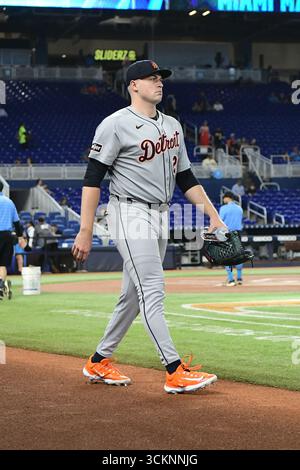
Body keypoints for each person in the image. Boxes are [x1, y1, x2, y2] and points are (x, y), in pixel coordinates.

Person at [72, 59, 227, 394]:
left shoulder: (171, 125)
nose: (159, 82)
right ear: (133, 85)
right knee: (153, 289)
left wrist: (214, 216)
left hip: (160, 215)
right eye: (151, 78)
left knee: (131, 295)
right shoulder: (114, 125)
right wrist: (86, 228)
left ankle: (98, 360)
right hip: (128, 214)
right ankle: (173, 370)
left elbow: (186, 178)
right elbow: (92, 178)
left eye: (160, 78)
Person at [0, 181, 25, 299]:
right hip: (7, 235)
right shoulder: (9, 202)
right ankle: (0, 284)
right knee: (2, 264)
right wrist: (20, 236)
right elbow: (17, 222)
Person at [219, 191, 244, 287]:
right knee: (238, 256)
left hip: (227, 233)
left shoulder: (223, 208)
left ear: (227, 198)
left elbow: (220, 221)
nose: (223, 200)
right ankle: (239, 278)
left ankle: (230, 279)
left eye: (224, 198)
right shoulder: (239, 208)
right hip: (237, 233)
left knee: (227, 256)